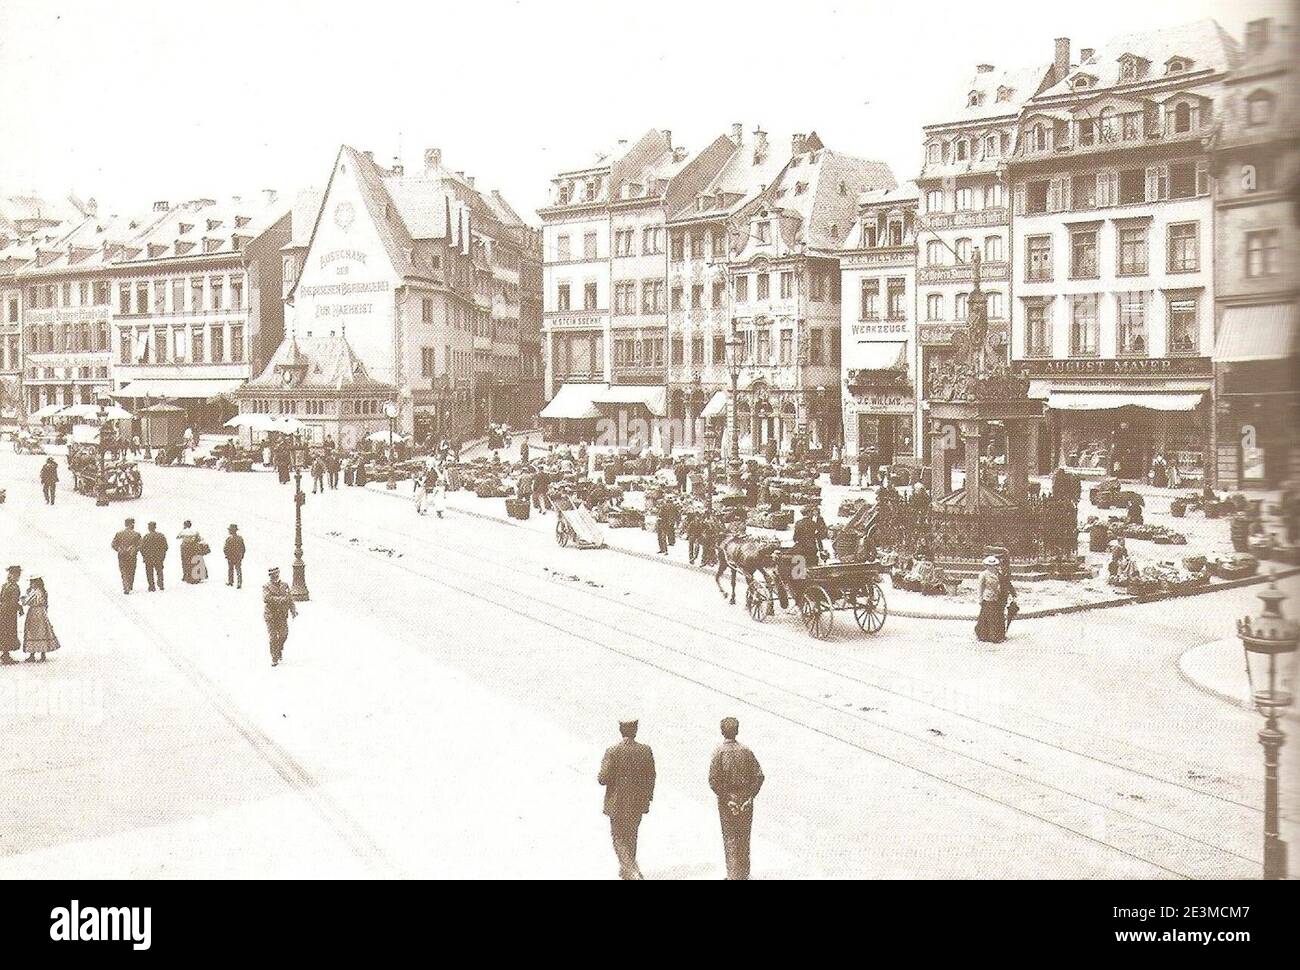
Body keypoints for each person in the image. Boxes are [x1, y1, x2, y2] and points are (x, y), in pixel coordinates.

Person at [597, 718, 656, 880]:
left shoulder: (613, 751)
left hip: (617, 804)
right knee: (632, 835)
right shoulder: (645, 750)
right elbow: (651, 777)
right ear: (635, 730)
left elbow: (602, 778)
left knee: (618, 837)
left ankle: (632, 871)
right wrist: (647, 799)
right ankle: (626, 870)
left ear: (620, 730)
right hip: (637, 803)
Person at [708, 716, 765, 880]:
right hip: (745, 799)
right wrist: (750, 797)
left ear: (722, 732)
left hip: (728, 801)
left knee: (730, 838)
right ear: (737, 731)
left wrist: (727, 799)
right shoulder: (746, 751)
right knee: (744, 838)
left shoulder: (718, 753)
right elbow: (759, 776)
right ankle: (744, 875)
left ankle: (733, 875)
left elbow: (713, 780)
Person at [262, 567, 297, 667]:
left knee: (284, 635)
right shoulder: (266, 586)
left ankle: (279, 649)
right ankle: (274, 658)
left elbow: (290, 599)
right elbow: (266, 598)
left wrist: (293, 610)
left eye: (276, 574)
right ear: (270, 576)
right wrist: (281, 599)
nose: (274, 577)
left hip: (282, 615)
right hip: (271, 615)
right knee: (273, 637)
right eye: (272, 575)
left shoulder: (285, 585)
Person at [20, 577, 59, 663]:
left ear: (36, 583)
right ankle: (42, 653)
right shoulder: (42, 591)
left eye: (32, 582)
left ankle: (32, 654)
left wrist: (23, 597)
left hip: (34, 612)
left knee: (33, 632)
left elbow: (25, 602)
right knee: (42, 631)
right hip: (41, 612)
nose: (30, 584)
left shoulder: (34, 591)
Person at [975, 555, 1004, 642]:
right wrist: (980, 599)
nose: (992, 567)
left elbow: (1001, 584)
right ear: (986, 565)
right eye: (990, 565)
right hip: (987, 598)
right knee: (988, 617)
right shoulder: (983, 574)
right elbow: (980, 587)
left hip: (996, 597)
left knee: (995, 617)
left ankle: (994, 635)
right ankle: (989, 636)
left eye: (994, 565)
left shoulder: (998, 573)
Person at [111, 518, 142, 595]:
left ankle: (126, 585)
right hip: (132, 555)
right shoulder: (136, 534)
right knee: (131, 570)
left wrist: (118, 549)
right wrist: (134, 549)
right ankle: (130, 585)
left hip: (122, 555)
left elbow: (113, 544)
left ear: (125, 524)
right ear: (132, 524)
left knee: (123, 570)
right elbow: (141, 545)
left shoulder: (119, 534)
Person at [0, 565, 22, 665]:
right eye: (17, 574)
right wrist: (19, 607)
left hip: (3, 611)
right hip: (9, 613)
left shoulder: (5, 585)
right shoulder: (14, 587)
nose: (18, 577)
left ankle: (5, 654)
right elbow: (13, 602)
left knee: (3, 631)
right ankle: (5, 655)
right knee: (8, 631)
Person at [140, 521, 169, 593]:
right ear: (155, 527)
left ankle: (151, 586)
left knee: (149, 572)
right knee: (159, 571)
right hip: (159, 557)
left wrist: (144, 556)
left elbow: (142, 548)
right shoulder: (161, 536)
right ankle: (161, 584)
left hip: (148, 558)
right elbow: (165, 547)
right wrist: (162, 556)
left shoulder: (146, 537)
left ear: (149, 528)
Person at [224, 524, 245, 589]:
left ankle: (231, 582)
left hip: (230, 557)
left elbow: (225, 549)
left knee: (231, 569)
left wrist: (227, 555)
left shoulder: (228, 539)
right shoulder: (240, 538)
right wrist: (242, 556)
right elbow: (243, 548)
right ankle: (239, 583)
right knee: (238, 569)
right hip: (238, 557)